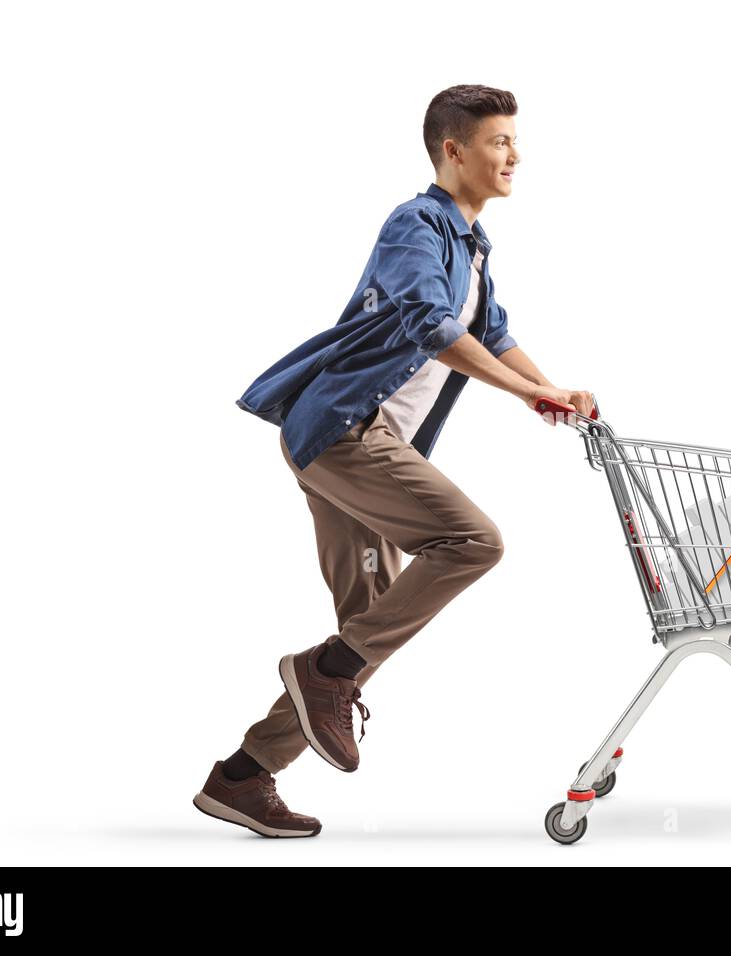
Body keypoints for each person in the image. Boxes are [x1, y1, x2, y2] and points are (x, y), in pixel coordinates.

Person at [193, 84, 596, 837]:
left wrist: (548, 391)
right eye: (500, 141)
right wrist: (521, 391)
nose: (516, 155)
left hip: (363, 444)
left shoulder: (472, 248)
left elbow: (494, 333)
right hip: (344, 432)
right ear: (454, 149)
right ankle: (324, 675)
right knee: (472, 541)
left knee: (366, 630)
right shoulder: (417, 224)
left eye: (514, 140)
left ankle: (243, 777)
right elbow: (429, 324)